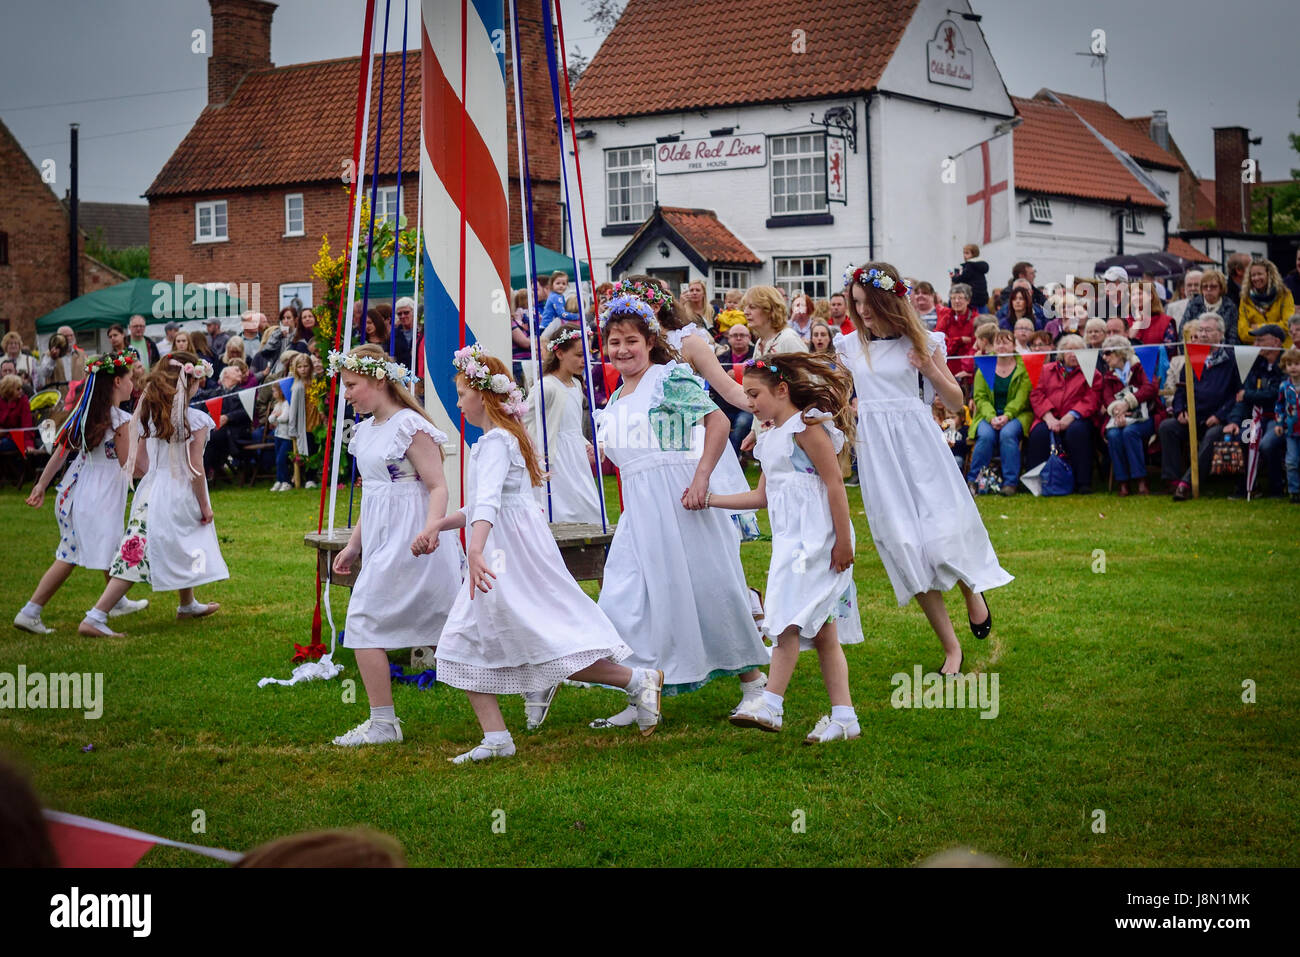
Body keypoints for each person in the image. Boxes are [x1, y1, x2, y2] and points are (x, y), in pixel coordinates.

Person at [420, 345, 662, 762]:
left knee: (511, 638)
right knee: (479, 639)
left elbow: (491, 503)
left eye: (462, 393)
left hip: (503, 554)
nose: (458, 403)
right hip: (508, 547)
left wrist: (475, 550)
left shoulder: (497, 441)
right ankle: (498, 736)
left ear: (484, 395)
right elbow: (479, 503)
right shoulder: (498, 440)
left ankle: (633, 679)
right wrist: (438, 526)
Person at [591, 295, 769, 725]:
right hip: (639, 509)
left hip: (679, 498)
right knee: (628, 596)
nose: (622, 350)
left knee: (710, 587)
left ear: (650, 341)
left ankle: (754, 683)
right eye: (614, 342)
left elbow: (718, 421)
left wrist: (703, 477)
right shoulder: (617, 394)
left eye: (630, 341)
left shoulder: (668, 378)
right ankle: (640, 691)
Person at [836, 262, 1010, 677]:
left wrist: (929, 367)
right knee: (905, 547)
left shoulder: (925, 340)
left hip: (920, 445)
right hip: (878, 454)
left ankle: (972, 589)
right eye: (856, 304)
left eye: (870, 304)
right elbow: (839, 399)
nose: (863, 313)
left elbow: (953, 402)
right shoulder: (847, 347)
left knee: (942, 532)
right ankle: (951, 649)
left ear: (889, 302)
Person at [700, 352, 863, 742]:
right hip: (790, 541)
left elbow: (835, 485)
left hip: (817, 540)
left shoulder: (806, 429)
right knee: (823, 632)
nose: (750, 403)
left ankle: (771, 705)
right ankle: (845, 718)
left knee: (785, 618)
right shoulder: (771, 437)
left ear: (782, 390)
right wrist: (709, 499)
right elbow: (762, 497)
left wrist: (842, 542)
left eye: (755, 394)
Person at [325, 345, 465, 746]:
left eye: (352, 385)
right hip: (383, 538)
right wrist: (354, 545)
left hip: (414, 538)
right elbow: (373, 495)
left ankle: (385, 724)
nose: (346, 393)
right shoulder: (366, 431)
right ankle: (383, 722)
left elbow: (437, 485)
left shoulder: (409, 425)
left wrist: (431, 529)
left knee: (450, 627)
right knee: (368, 623)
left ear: (379, 380)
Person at [77, 353, 230, 637]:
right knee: (136, 553)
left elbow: (144, 459)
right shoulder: (196, 420)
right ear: (191, 383)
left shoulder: (150, 415)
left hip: (153, 489)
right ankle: (95, 616)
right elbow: (195, 469)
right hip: (177, 493)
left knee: (181, 542)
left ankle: (187, 604)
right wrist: (205, 505)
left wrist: (154, 479)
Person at [15, 353, 148, 634]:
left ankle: (117, 600)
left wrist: (41, 485)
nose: (132, 384)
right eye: (129, 379)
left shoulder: (85, 412)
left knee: (106, 544)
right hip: (100, 494)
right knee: (72, 554)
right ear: (116, 382)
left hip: (79, 488)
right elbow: (130, 466)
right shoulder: (121, 419)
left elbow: (61, 452)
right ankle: (30, 611)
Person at [620, 275, 760, 539]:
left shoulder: (687, 342)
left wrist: (772, 411)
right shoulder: (629, 349)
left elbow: (728, 389)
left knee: (705, 531)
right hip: (649, 450)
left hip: (695, 445)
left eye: (633, 306)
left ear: (656, 306)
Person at [1158, 316, 1241, 501]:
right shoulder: (1193, 355)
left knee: (1212, 435)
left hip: (1217, 419)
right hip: (1192, 417)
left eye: (1208, 330)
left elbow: (1237, 395)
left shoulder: (1232, 358)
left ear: (1220, 334)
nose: (1203, 334)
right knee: (1167, 427)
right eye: (1201, 330)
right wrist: (1180, 411)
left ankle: (1186, 483)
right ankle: (1171, 481)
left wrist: (1220, 416)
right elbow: (1181, 389)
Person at [528, 328, 602, 524]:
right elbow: (525, 422)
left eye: (587, 354)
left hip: (575, 457)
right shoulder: (547, 387)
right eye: (578, 355)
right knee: (561, 510)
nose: (584, 360)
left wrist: (585, 443)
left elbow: (572, 426)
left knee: (589, 506)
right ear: (559, 353)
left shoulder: (576, 385)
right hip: (555, 459)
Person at [1024, 334, 1099, 494]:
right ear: (1061, 353)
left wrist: (1071, 416)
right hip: (1048, 416)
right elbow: (1036, 394)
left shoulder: (1092, 373)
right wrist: (1049, 416)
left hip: (1078, 417)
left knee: (1077, 432)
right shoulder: (1045, 370)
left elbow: (1091, 398)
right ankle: (1037, 482)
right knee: (1039, 434)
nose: (1073, 354)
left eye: (1077, 351)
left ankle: (1082, 482)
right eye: (1069, 351)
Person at [966, 329, 1030, 496]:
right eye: (998, 342)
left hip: (1016, 414)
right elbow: (979, 397)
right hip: (988, 415)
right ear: (993, 345)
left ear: (1014, 345)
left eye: (1006, 342)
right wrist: (992, 417)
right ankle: (973, 481)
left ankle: (1010, 483)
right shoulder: (984, 367)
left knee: (1007, 435)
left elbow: (1022, 398)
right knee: (985, 436)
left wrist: (1007, 415)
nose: (1002, 346)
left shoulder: (1023, 367)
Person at [1095, 335, 1161, 496]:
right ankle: (1123, 482)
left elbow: (1151, 387)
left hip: (1147, 416)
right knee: (1114, 434)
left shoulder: (1140, 366)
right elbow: (1107, 397)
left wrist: (1128, 403)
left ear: (1120, 353)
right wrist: (1118, 411)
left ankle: (1141, 480)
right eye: (1103, 354)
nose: (1104, 357)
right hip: (1119, 418)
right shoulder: (1108, 375)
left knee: (1130, 432)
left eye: (1108, 353)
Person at [1227, 324, 1287, 498]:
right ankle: (1248, 487)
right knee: (1241, 437)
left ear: (1276, 342)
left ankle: (1277, 488)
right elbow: (1241, 397)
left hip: (1279, 417)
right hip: (1255, 417)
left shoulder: (1287, 363)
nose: (1256, 344)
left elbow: (1277, 393)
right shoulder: (1256, 364)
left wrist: (1249, 395)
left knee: (1268, 444)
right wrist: (1234, 421)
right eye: (1255, 340)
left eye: (1260, 340)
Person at [713, 324, 755, 453]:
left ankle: (735, 456)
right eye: (734, 335)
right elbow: (713, 386)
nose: (738, 338)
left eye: (742, 335)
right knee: (715, 422)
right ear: (728, 339)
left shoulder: (756, 356)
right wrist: (724, 378)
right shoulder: (720, 359)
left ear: (749, 338)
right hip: (725, 404)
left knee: (742, 423)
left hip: (749, 406)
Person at [1238, 259, 1296, 346]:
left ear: (1269, 275)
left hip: (1282, 349)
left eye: (1260, 274)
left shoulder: (1284, 294)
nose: (1256, 278)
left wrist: (1259, 327)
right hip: (1257, 351)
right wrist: (1271, 335)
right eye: (1253, 275)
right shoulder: (1245, 298)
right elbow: (1243, 333)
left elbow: (1287, 325)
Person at [935, 282, 977, 384]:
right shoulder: (946, 316)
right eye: (953, 298)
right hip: (947, 367)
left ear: (968, 300)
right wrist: (960, 340)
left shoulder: (975, 319)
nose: (956, 301)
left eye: (960, 298)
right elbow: (939, 342)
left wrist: (951, 340)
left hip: (968, 369)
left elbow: (975, 345)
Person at [1180, 268, 1237, 338]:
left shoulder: (1230, 306)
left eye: (1213, 286)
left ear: (1221, 288)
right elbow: (1183, 331)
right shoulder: (1193, 304)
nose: (1208, 289)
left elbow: (1233, 336)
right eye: (1205, 286)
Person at [1275, 347, 1300, 503]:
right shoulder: (1284, 386)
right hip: (1291, 430)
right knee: (1291, 461)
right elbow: (1279, 406)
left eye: (1297, 363)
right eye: (1289, 364)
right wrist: (1279, 423)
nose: (1293, 367)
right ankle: (1294, 491)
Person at [0, 374, 34, 455]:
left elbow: (27, 425)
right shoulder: (1, 401)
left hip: (17, 439)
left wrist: (29, 445)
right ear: (9, 390)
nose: (21, 391)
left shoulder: (23, 400)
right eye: (18, 389)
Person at [950, 244, 990, 312]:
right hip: (982, 299)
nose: (964, 256)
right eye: (964, 253)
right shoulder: (980, 265)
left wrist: (954, 277)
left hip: (973, 298)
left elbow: (963, 277)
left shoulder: (970, 265)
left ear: (974, 254)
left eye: (967, 253)